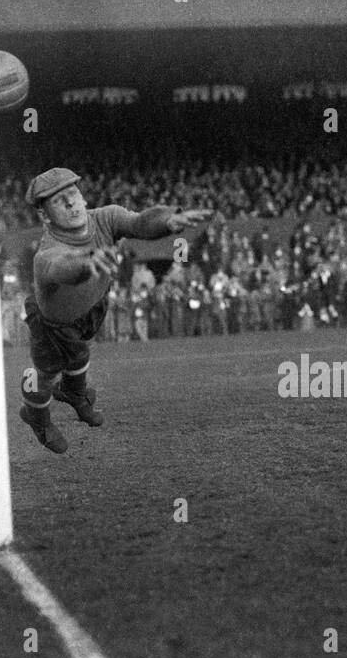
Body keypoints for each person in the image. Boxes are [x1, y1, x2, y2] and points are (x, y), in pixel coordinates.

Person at [17, 166, 209, 453]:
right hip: (53, 324)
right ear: (45, 216)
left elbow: (140, 222)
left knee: (80, 353)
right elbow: (61, 266)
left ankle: (73, 392)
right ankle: (37, 417)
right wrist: (87, 263)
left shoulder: (105, 218)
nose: (71, 203)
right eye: (59, 201)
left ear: (82, 196)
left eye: (72, 193)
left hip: (90, 308)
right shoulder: (47, 252)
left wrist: (169, 219)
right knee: (45, 375)